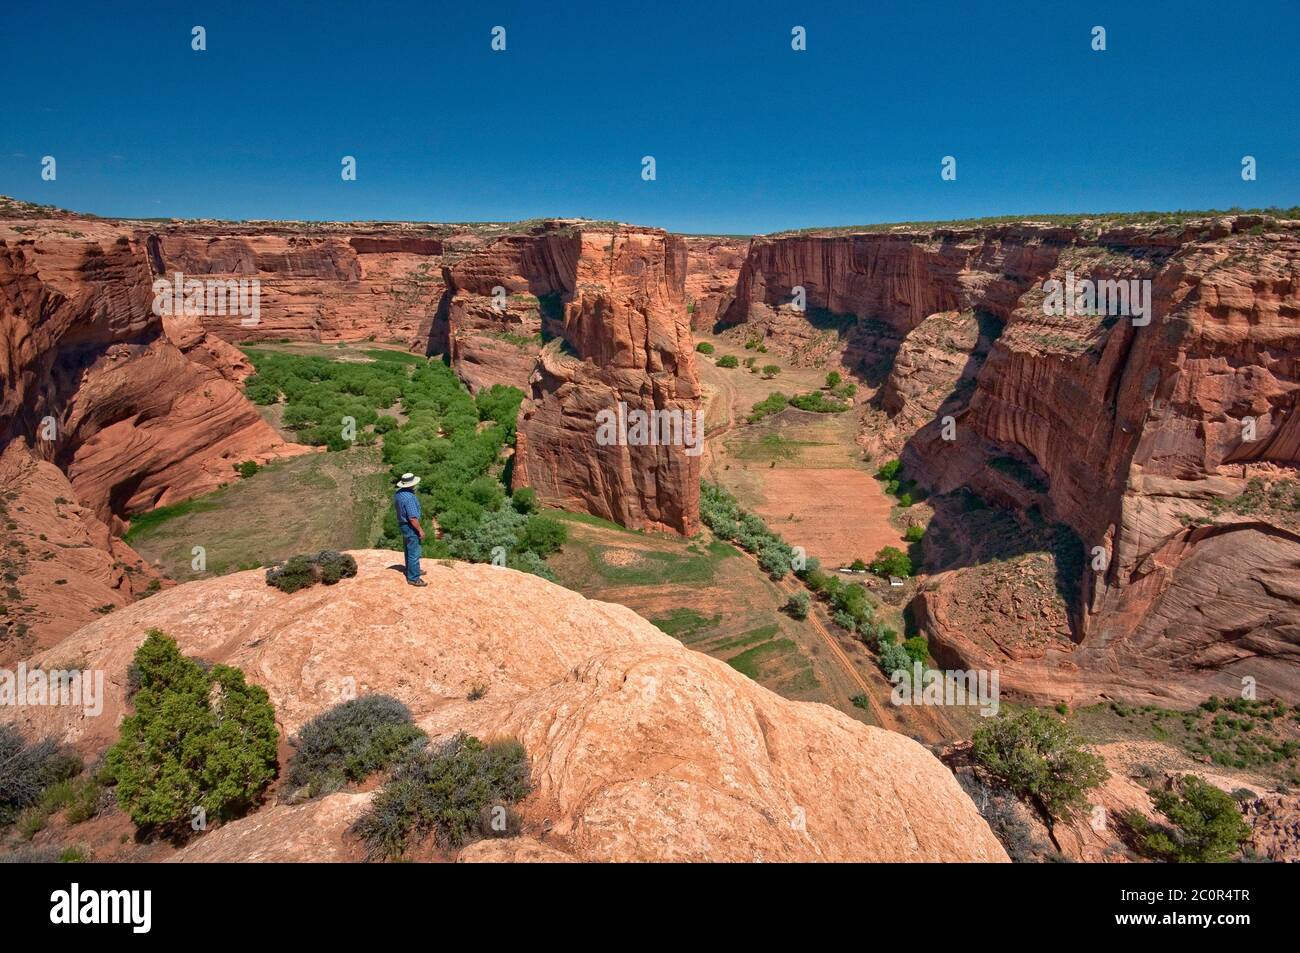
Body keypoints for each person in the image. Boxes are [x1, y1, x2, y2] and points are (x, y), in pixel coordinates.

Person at [394, 472, 427, 586]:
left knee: (408, 549)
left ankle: (412, 570)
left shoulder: (398, 493)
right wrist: (420, 530)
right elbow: (413, 518)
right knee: (414, 551)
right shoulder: (410, 498)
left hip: (403, 524)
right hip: (410, 526)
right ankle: (413, 578)